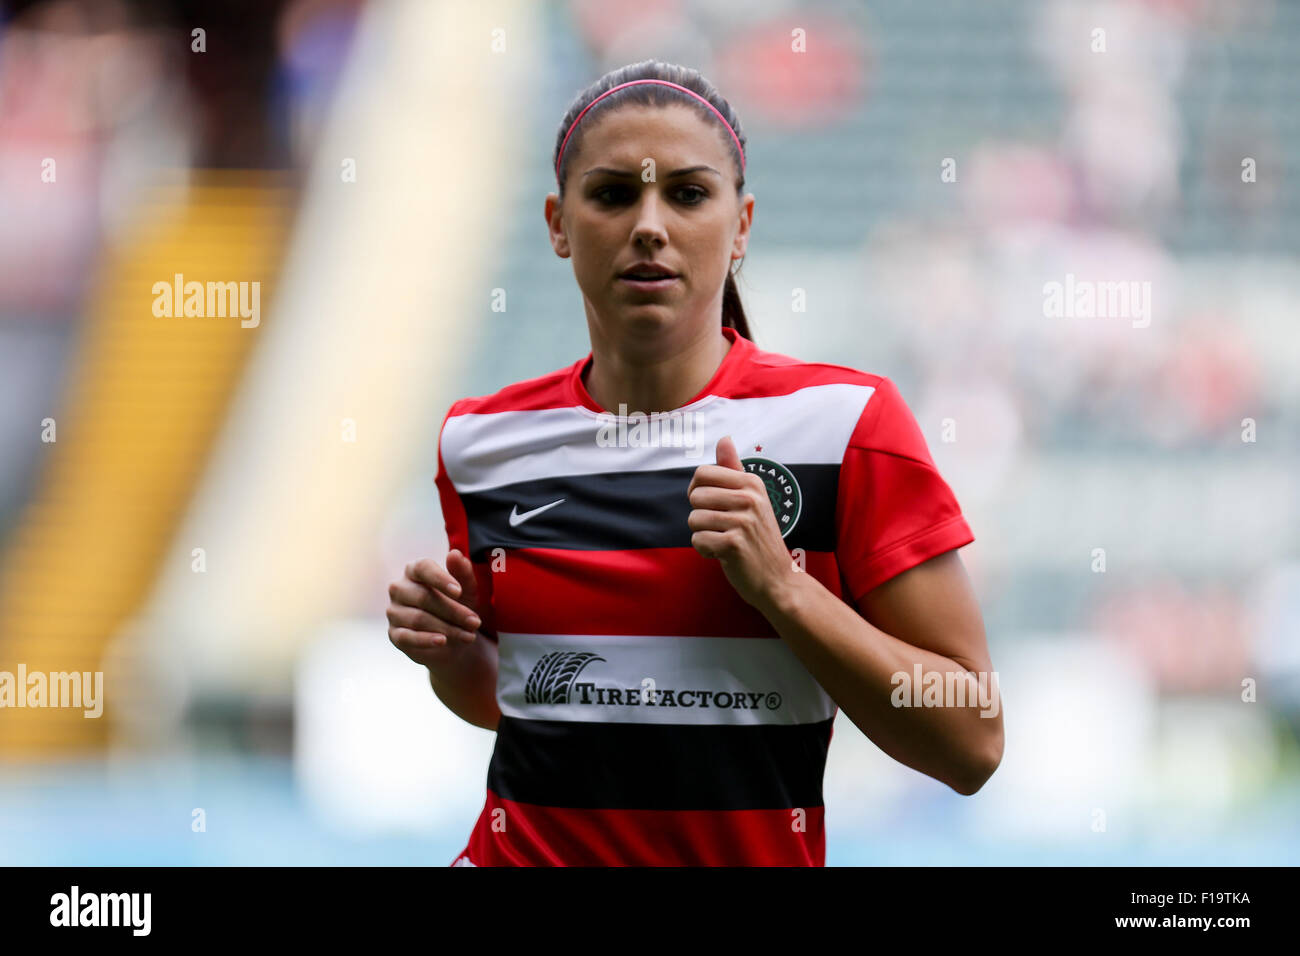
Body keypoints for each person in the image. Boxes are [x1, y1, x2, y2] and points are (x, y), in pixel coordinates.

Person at [385, 59, 1002, 866]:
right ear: (557, 223)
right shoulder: (481, 443)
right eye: (611, 194)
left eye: (687, 193)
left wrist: (782, 589)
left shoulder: (846, 425)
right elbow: (532, 702)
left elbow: (971, 742)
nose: (649, 224)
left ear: (741, 224)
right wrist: (453, 653)